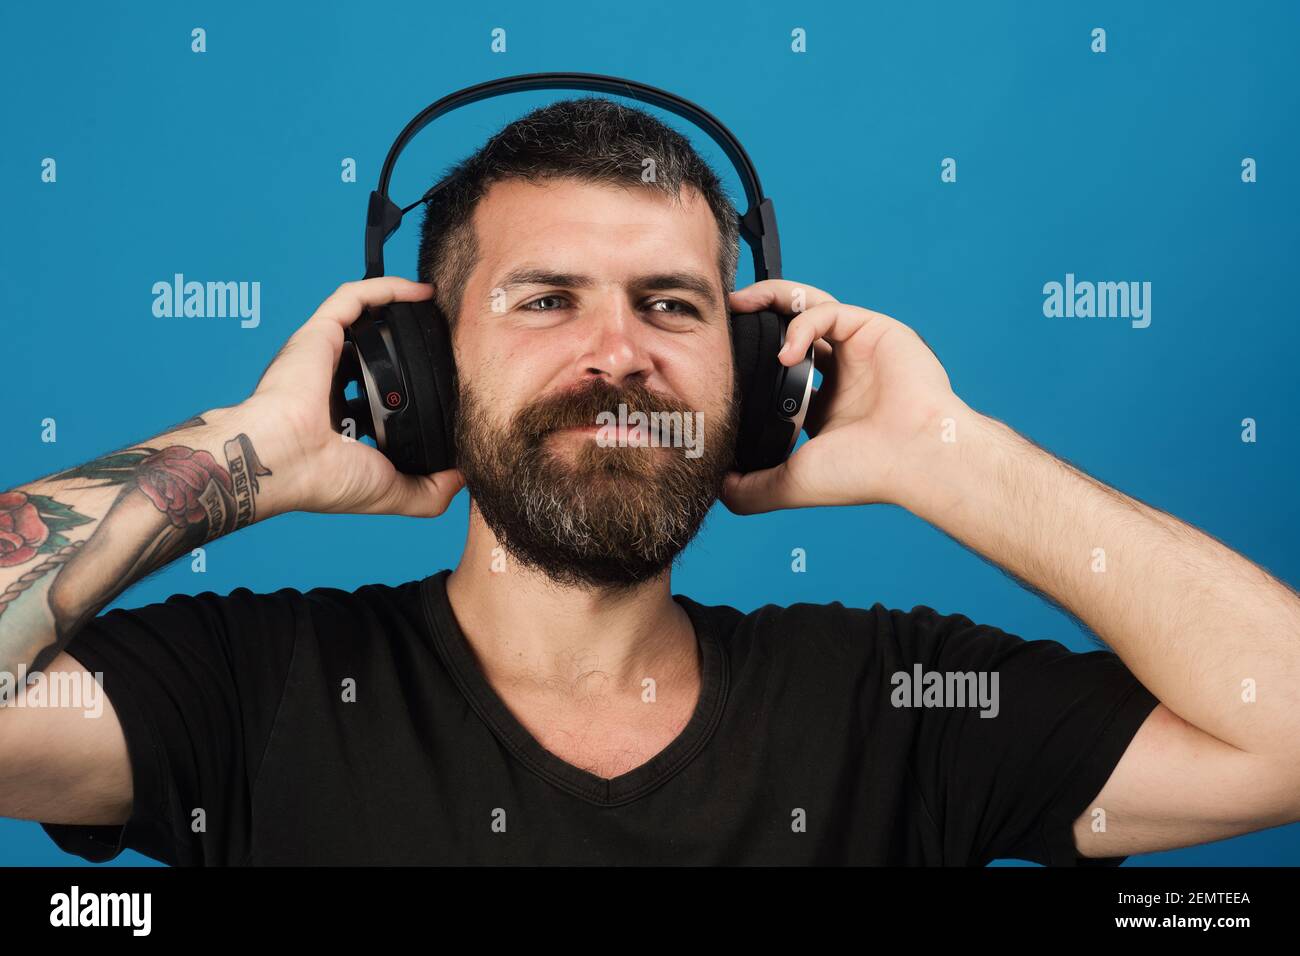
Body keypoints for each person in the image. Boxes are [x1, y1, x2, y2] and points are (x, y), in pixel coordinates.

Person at [2, 98, 1298, 866]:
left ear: (751, 378)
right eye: (546, 299)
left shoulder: (899, 708)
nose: (618, 354)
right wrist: (249, 453)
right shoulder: (255, 694)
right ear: (417, 372)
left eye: (672, 306)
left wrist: (947, 454)